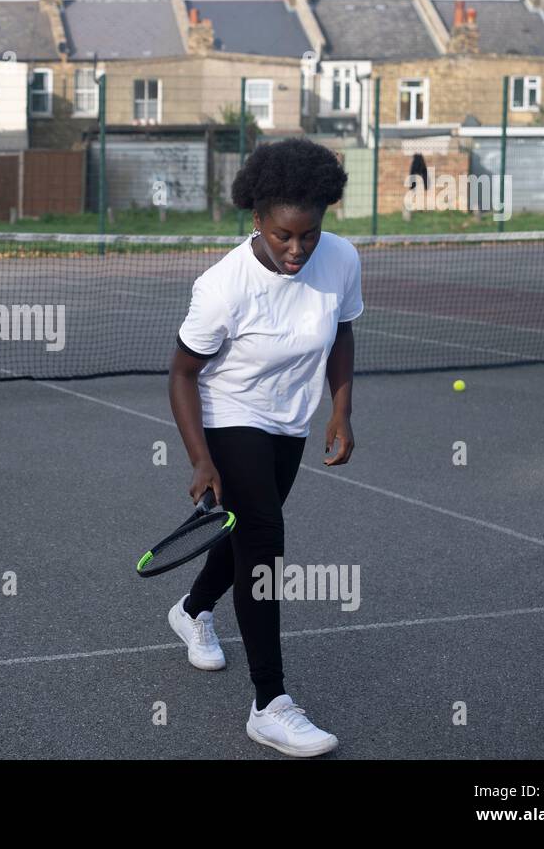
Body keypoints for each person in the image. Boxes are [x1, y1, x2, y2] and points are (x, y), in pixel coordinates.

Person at [166, 138, 362, 757]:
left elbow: (343, 329)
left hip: (290, 420)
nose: (297, 248)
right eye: (283, 236)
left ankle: (194, 609)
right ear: (257, 219)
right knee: (265, 541)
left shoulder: (341, 260)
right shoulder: (223, 286)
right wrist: (201, 458)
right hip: (231, 414)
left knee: (248, 532)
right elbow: (181, 374)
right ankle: (270, 704)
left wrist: (341, 410)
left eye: (308, 234)